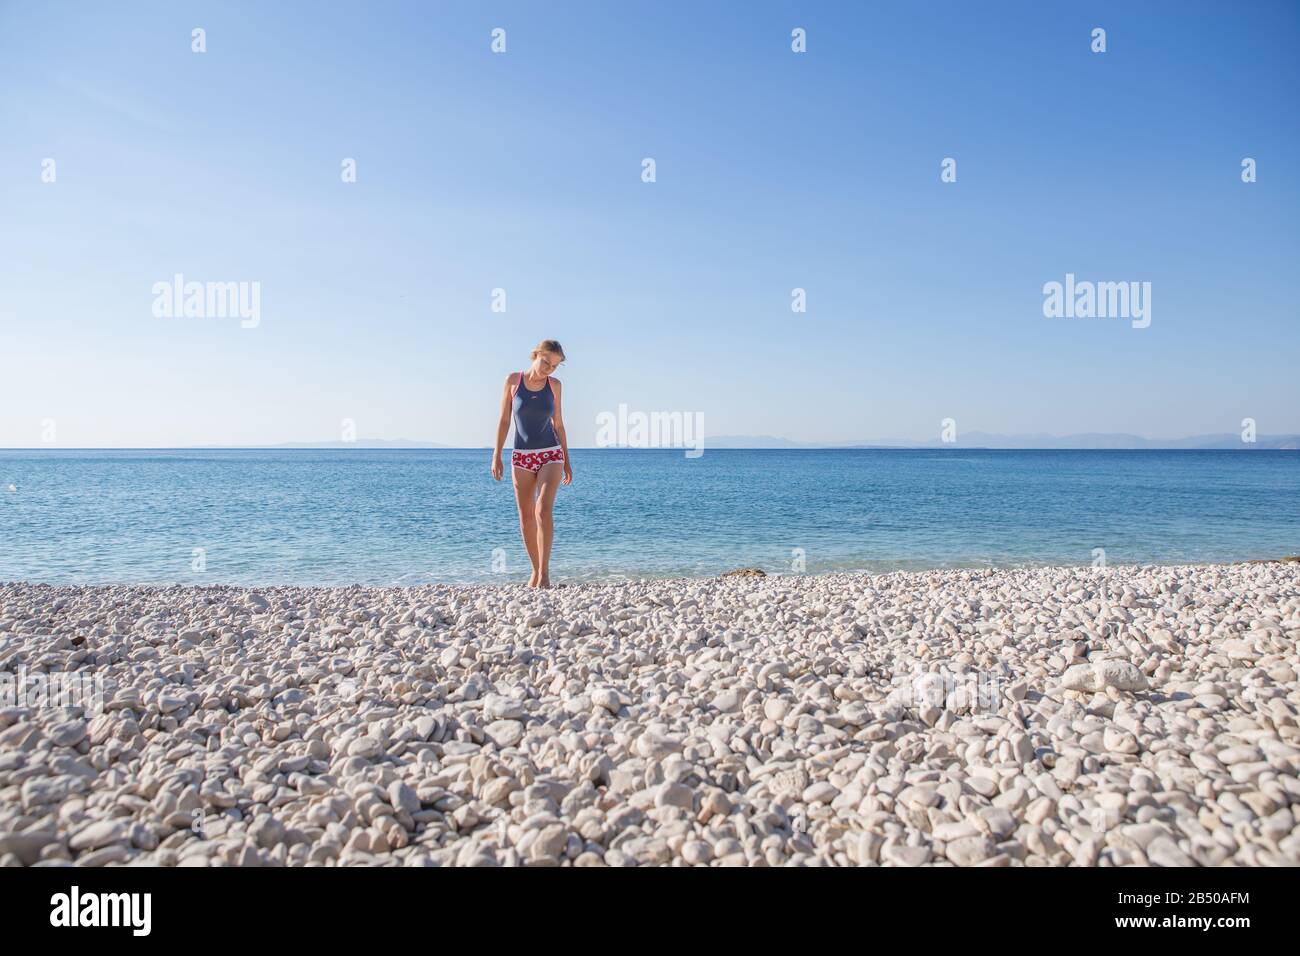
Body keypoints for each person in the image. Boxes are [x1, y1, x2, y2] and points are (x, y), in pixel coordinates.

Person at [491, 339, 572, 587]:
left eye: (554, 366)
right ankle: (535, 571)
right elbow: (504, 420)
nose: (549, 368)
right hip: (521, 457)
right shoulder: (513, 381)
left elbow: (558, 424)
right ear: (535, 355)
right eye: (546, 361)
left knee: (542, 510)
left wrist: (567, 461)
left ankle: (545, 574)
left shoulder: (555, 386)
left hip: (550, 453)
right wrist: (497, 454)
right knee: (526, 517)